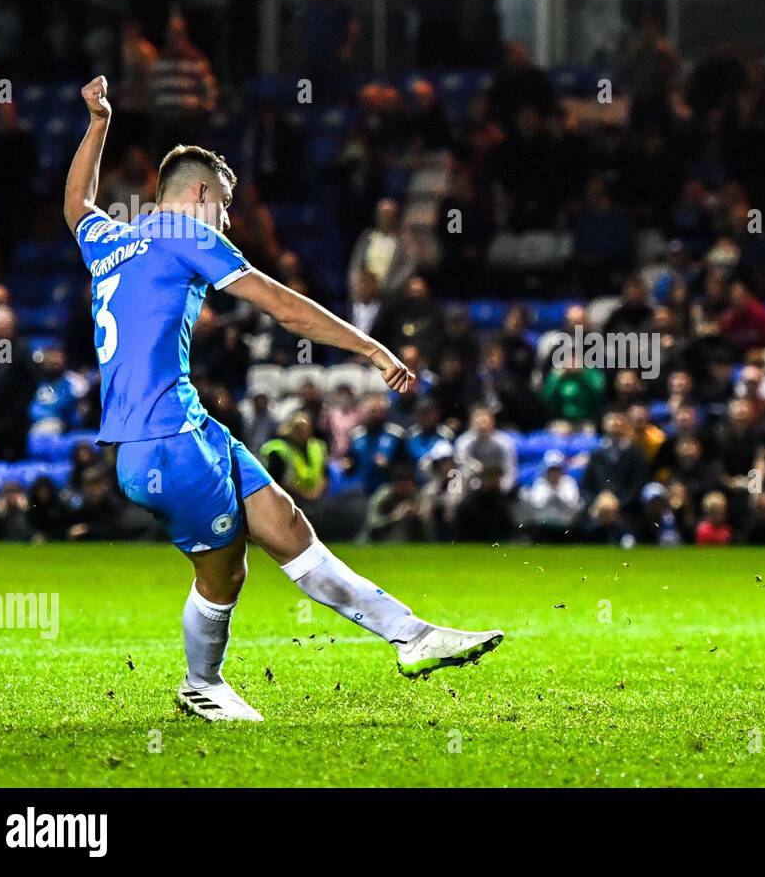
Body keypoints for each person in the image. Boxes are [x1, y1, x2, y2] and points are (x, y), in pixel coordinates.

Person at [63, 75, 501, 722]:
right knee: (225, 574)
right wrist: (375, 350)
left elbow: (76, 203)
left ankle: (412, 637)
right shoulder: (188, 233)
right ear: (202, 195)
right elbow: (285, 309)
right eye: (225, 208)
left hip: (182, 427)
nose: (228, 222)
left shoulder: (110, 241)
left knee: (285, 523)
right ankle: (201, 685)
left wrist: (97, 121)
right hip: (163, 442)